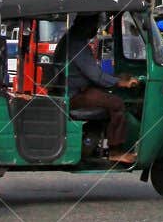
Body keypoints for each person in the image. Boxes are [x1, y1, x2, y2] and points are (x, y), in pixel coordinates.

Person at [54, 14, 139, 165]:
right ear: (86, 25)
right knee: (117, 104)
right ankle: (115, 152)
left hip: (75, 90)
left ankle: (94, 139)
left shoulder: (73, 39)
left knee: (106, 97)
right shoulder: (76, 44)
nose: (95, 29)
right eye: (95, 25)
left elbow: (93, 72)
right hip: (75, 95)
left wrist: (115, 79)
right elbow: (96, 76)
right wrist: (119, 82)